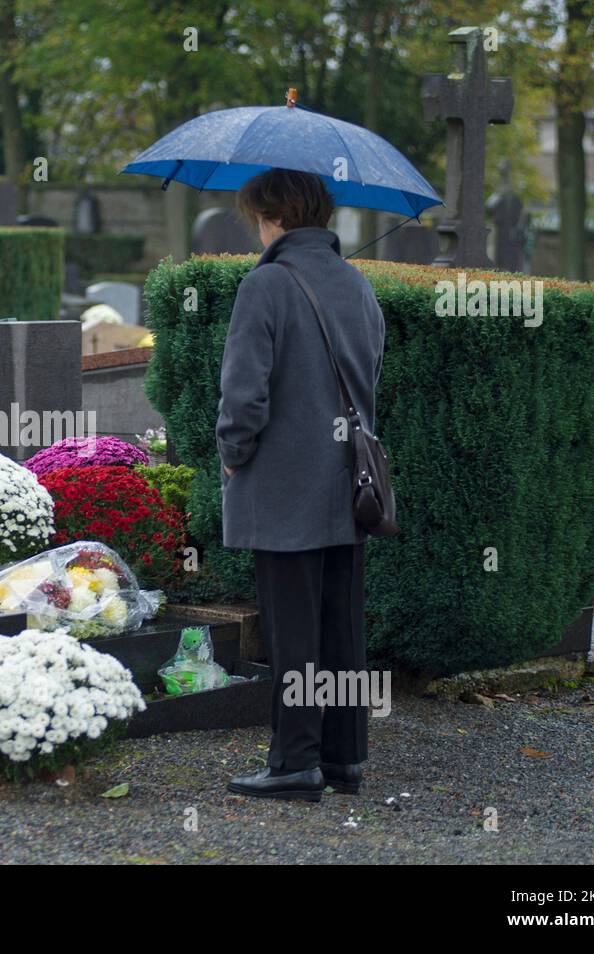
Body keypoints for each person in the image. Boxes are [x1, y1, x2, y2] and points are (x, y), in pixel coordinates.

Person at [216, 168, 385, 802]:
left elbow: (243, 395)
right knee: (340, 626)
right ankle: (344, 758)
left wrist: (234, 453)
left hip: (283, 486)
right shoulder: (357, 283)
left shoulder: (266, 284)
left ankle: (294, 762)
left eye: (255, 216)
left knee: (293, 632)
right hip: (348, 485)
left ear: (273, 216)